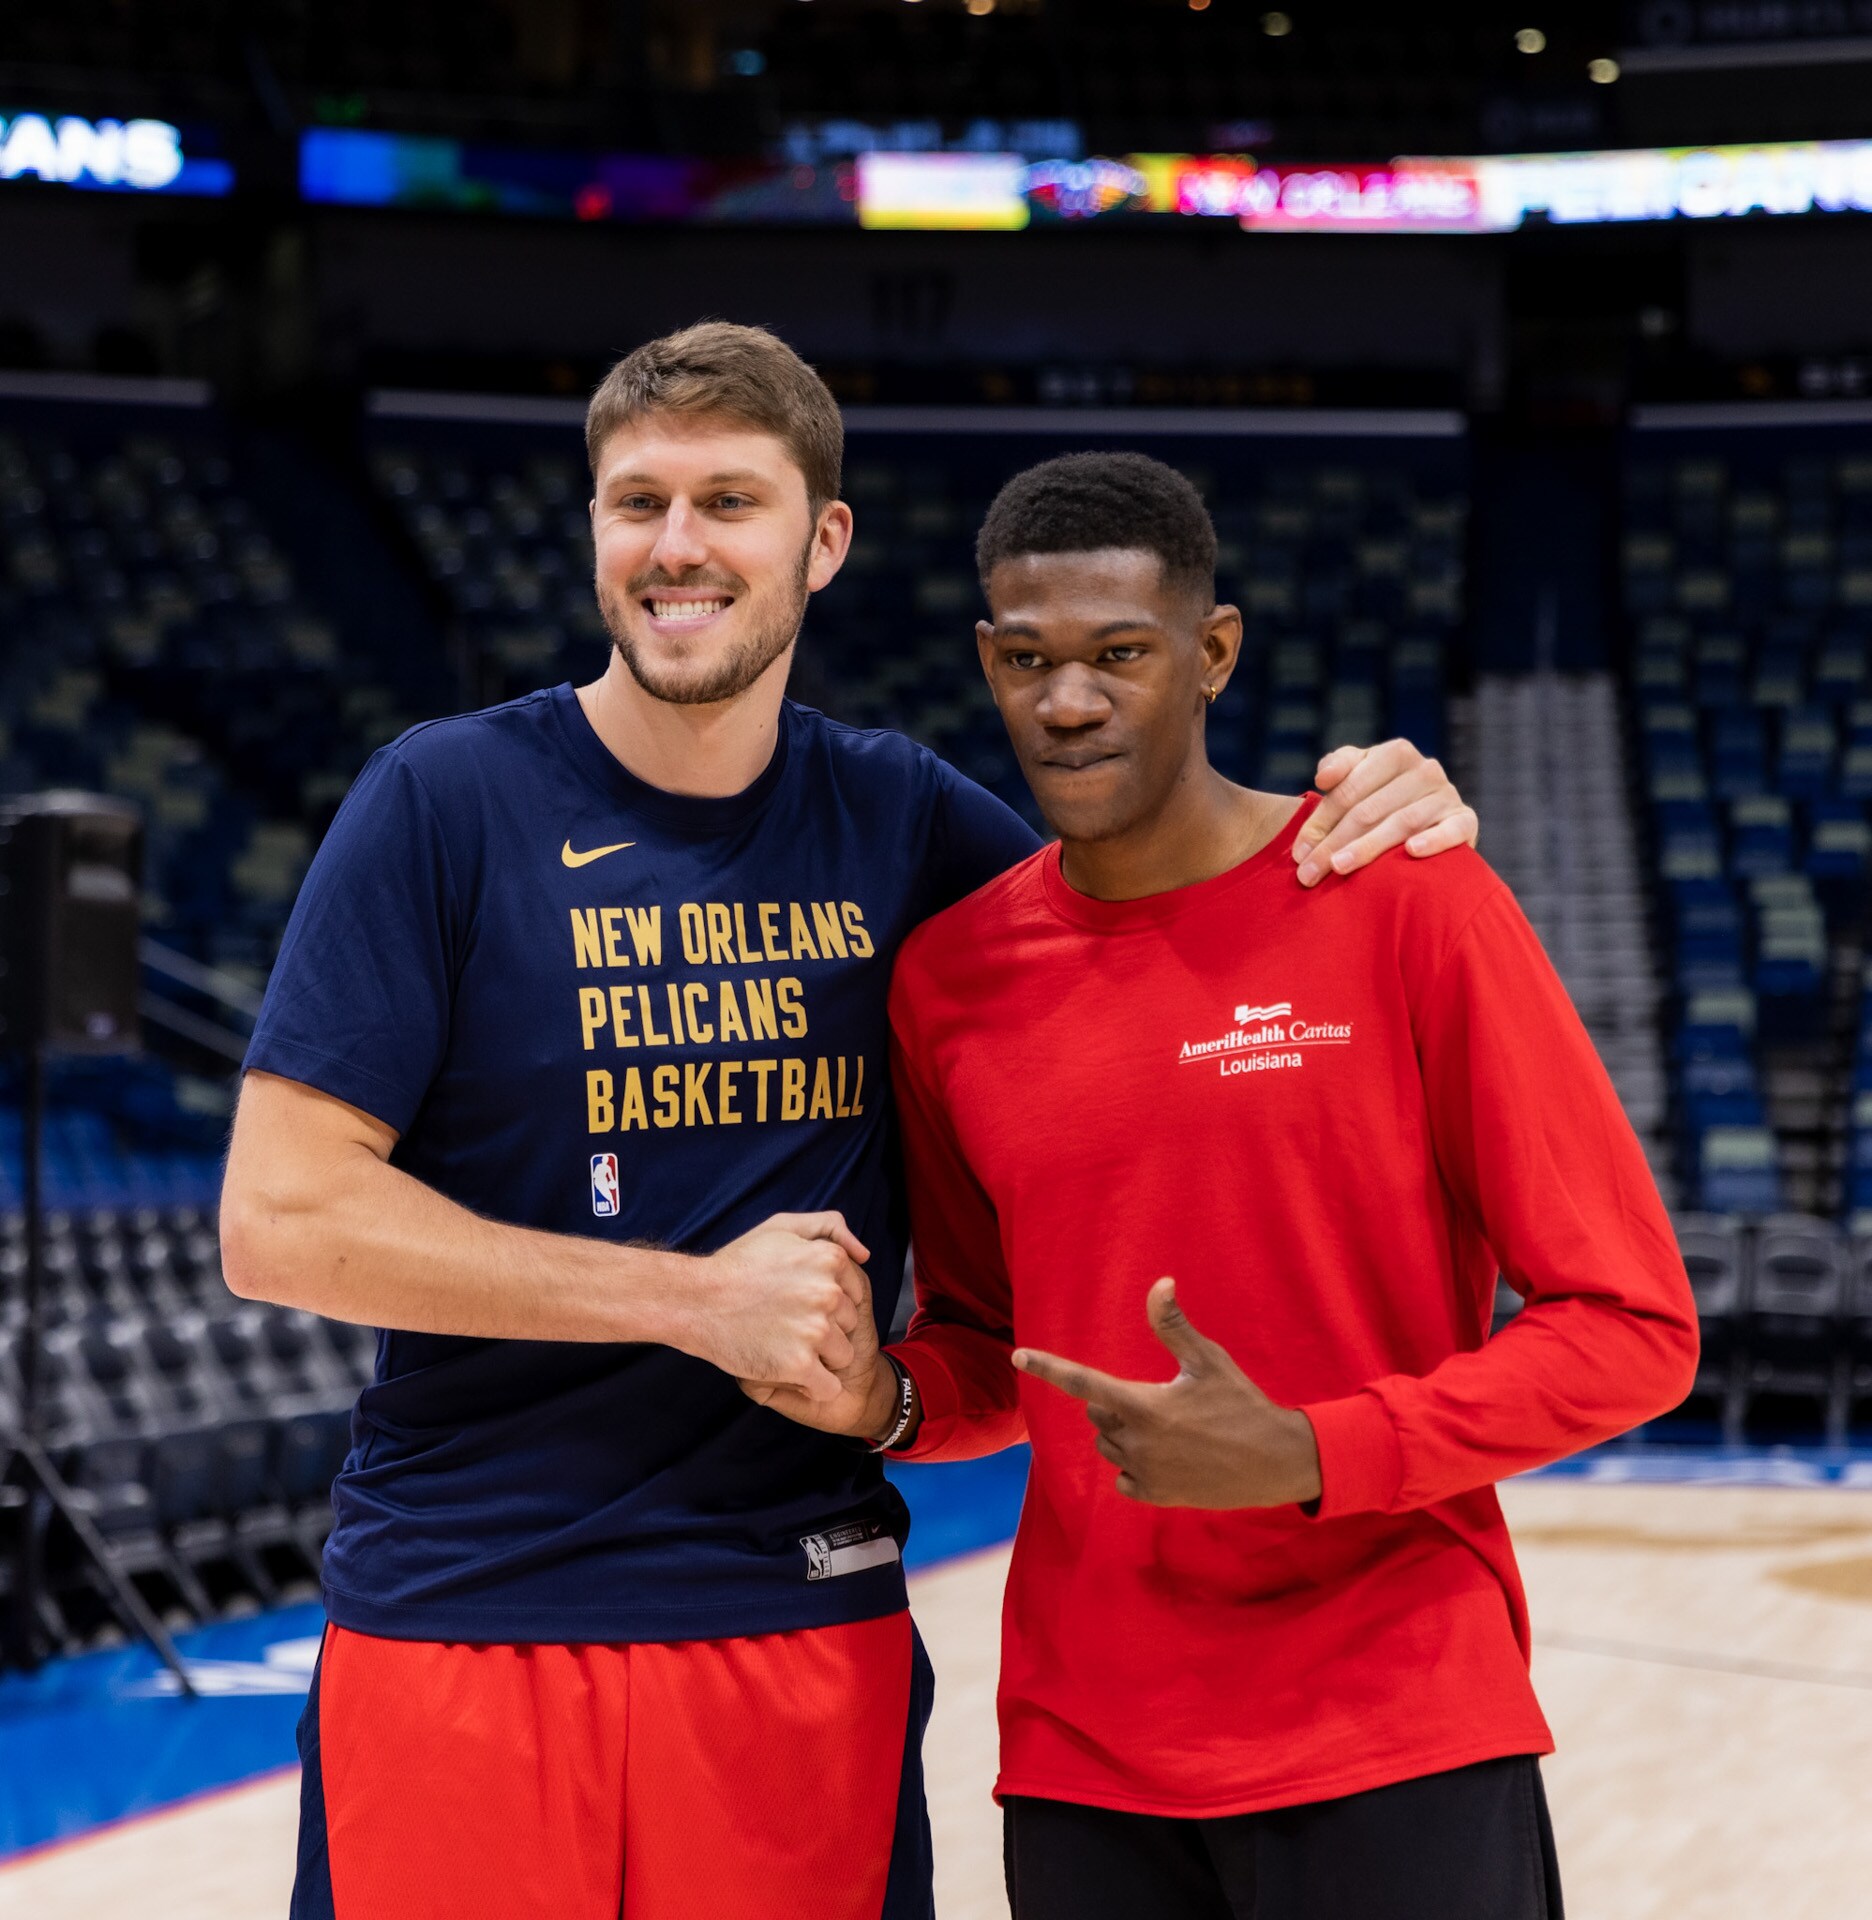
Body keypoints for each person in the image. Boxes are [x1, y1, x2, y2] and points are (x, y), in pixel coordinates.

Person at [219, 326, 1480, 1920]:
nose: (677, 546)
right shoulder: (443, 800)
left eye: (729, 501)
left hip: (796, 1611)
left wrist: (1369, 812)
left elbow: (1166, 924)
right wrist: (691, 1300)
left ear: (823, 542)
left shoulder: (908, 822)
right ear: (595, 530)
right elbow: (283, 1224)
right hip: (468, 1609)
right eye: (638, 502)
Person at [754, 451, 1700, 1920]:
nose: (1069, 703)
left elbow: (1633, 1326)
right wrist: (882, 1400)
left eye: (1121, 654)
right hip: (1084, 1759)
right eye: (1030, 660)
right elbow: (1001, 1346)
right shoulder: (949, 984)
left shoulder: (1404, 897)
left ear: (1213, 652)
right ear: (990, 663)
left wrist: (1316, 1453)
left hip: (1394, 1723)